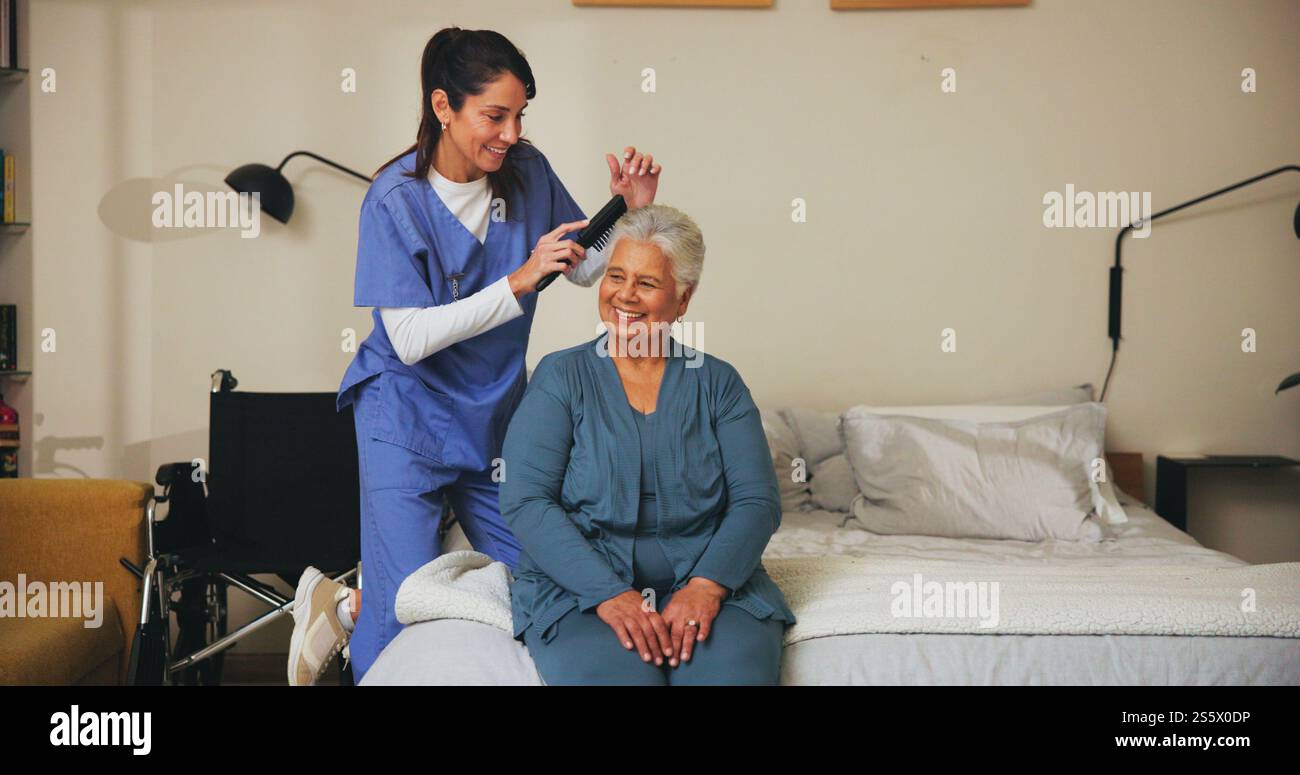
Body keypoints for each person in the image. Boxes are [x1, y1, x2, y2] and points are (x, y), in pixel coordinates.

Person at [287, 26, 661, 686]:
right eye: (495, 114)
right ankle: (355, 614)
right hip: (403, 418)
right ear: (443, 107)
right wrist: (518, 279)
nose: (512, 132)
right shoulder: (394, 199)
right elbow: (408, 338)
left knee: (543, 574)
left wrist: (629, 212)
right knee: (404, 609)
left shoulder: (526, 172)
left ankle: (352, 596)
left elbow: (578, 269)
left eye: (520, 115)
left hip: (491, 418)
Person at [500, 204, 795, 685]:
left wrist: (706, 585)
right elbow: (525, 499)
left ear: (683, 298)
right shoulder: (561, 376)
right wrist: (607, 593)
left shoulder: (718, 383)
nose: (625, 296)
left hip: (708, 579)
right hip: (579, 589)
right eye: (616, 276)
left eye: (648, 283)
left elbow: (757, 501)